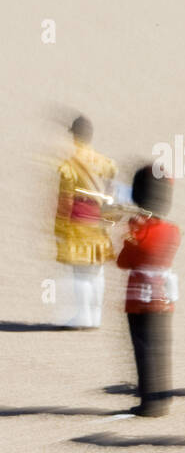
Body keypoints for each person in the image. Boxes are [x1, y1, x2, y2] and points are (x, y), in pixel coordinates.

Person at [115, 166, 180, 417]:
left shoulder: (138, 230)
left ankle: (150, 402)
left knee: (143, 350)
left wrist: (130, 233)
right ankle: (162, 397)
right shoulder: (172, 230)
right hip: (164, 296)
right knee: (161, 348)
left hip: (139, 299)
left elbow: (124, 261)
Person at [53, 116, 117, 328]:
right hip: (99, 221)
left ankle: (84, 315)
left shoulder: (70, 165)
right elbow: (111, 193)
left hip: (79, 222)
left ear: (74, 136)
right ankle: (95, 317)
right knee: (97, 272)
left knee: (80, 272)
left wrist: (60, 226)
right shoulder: (105, 162)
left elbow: (66, 199)